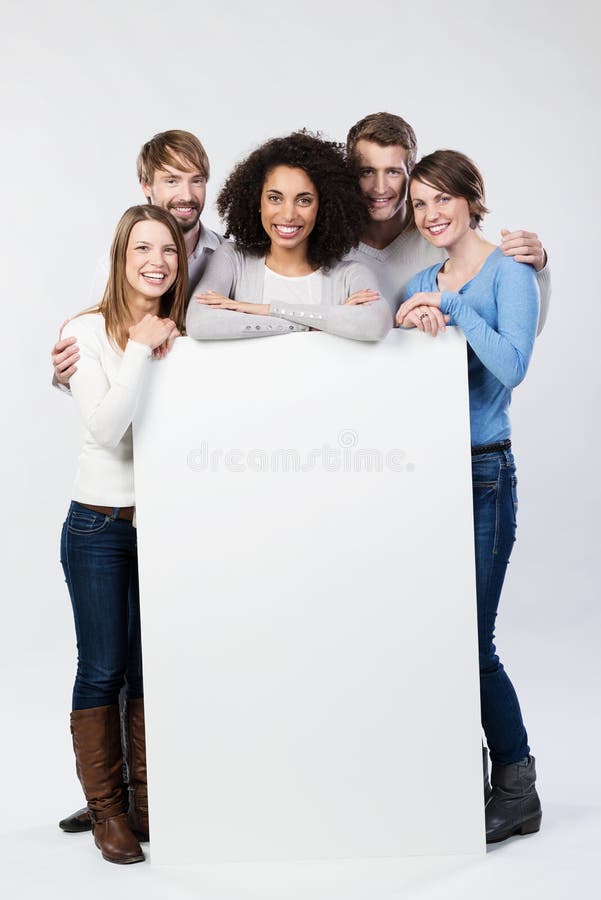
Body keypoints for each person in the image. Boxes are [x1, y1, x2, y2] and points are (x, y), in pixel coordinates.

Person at [396, 149, 542, 844]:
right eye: (418, 205)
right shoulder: (421, 278)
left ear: (471, 195)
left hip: (484, 472)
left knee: (471, 641)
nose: (429, 215)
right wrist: (409, 325)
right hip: (427, 476)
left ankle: (517, 785)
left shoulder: (509, 271)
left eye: (440, 199)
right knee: (434, 638)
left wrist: (452, 310)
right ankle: (460, 775)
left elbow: (511, 366)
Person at [60, 205, 186, 863]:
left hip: (163, 528)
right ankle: (107, 811)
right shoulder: (84, 331)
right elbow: (108, 429)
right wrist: (139, 346)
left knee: (148, 668)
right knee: (103, 667)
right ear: (121, 255)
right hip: (99, 526)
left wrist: (166, 340)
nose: (156, 262)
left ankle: (144, 803)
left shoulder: (181, 335)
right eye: (142, 248)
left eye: (167, 249)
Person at [345, 112, 551, 330]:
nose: (380, 187)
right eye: (367, 172)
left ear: (411, 174)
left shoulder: (441, 237)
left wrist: (539, 268)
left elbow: (527, 329)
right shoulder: (330, 247)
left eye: (393, 172)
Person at [185, 131, 391, 342]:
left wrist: (262, 310)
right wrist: (314, 324)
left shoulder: (349, 274)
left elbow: (375, 325)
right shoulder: (232, 259)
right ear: (258, 201)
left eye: (304, 200)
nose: (288, 215)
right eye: (275, 198)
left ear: (323, 207)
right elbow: (199, 323)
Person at [52, 129, 220, 385]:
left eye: (196, 180)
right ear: (146, 185)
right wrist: (69, 374)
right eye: (172, 180)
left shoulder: (229, 257)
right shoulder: (114, 267)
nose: (187, 195)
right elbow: (102, 355)